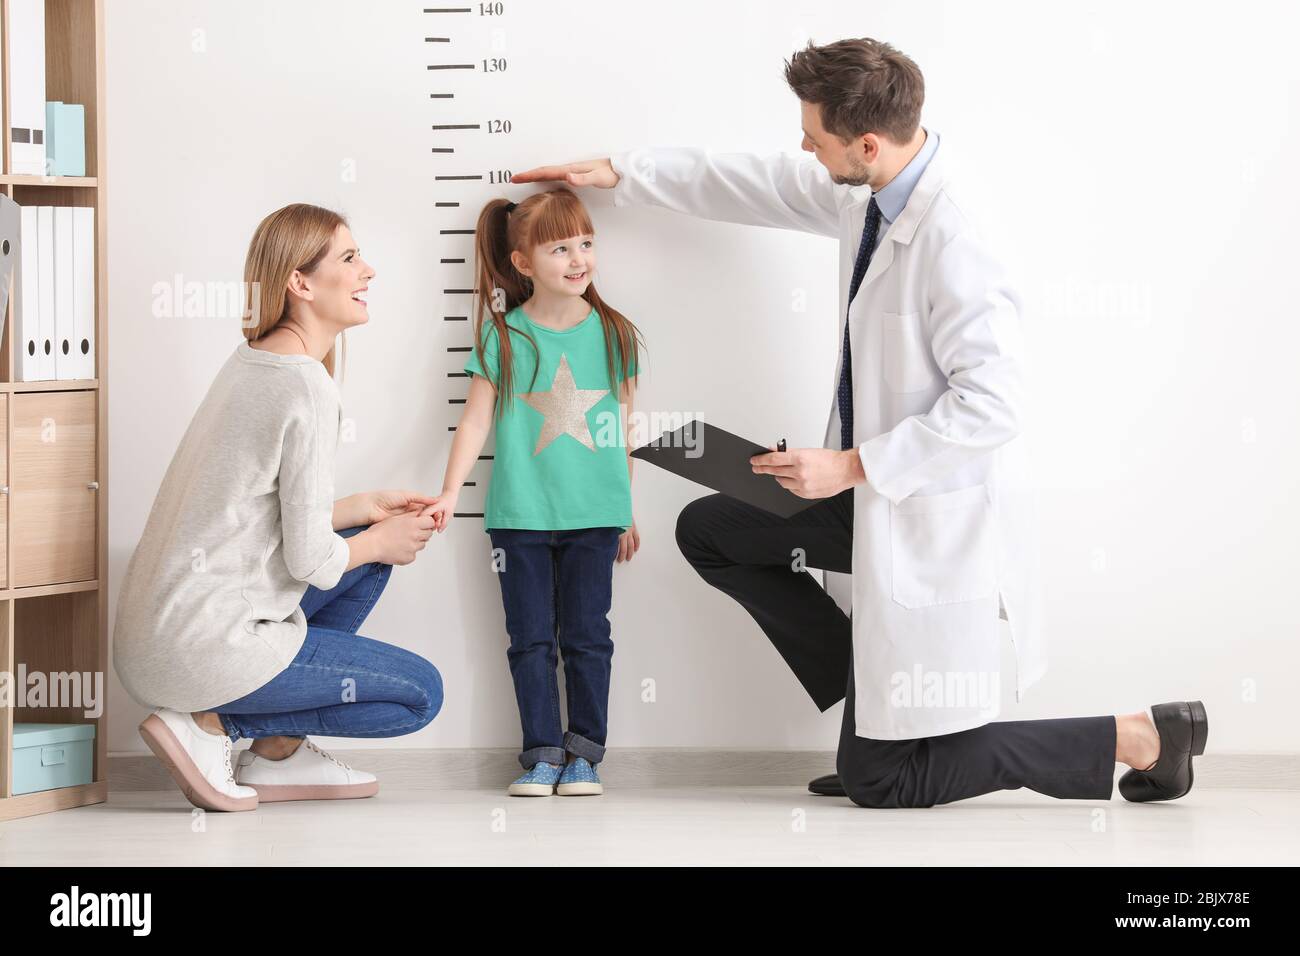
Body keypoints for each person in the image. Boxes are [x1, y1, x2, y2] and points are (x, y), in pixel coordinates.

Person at [511, 38, 1207, 808]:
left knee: (883, 780)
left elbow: (995, 403)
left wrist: (850, 466)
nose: (803, 147)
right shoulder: (870, 192)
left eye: (814, 135)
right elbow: (757, 183)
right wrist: (622, 171)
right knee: (711, 529)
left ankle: (1139, 735)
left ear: (866, 142)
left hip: (924, 505)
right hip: (870, 491)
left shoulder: (955, 237)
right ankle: (877, 690)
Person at [113, 203, 444, 812]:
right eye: (349, 258)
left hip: (161, 635)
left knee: (367, 556)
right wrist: (380, 541)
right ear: (301, 283)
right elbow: (313, 560)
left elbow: (246, 513)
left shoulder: (254, 359)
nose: (368, 271)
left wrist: (364, 509)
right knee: (420, 694)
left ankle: (279, 751)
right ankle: (215, 727)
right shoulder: (305, 385)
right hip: (202, 647)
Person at [425, 188, 645, 797]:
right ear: (523, 262)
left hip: (595, 515)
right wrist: (448, 492)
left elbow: (623, 429)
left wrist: (624, 509)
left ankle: (585, 756)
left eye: (586, 243)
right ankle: (542, 754)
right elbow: (474, 421)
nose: (578, 258)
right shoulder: (504, 336)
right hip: (518, 515)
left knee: (587, 637)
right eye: (559, 248)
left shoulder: (614, 334)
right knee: (529, 639)